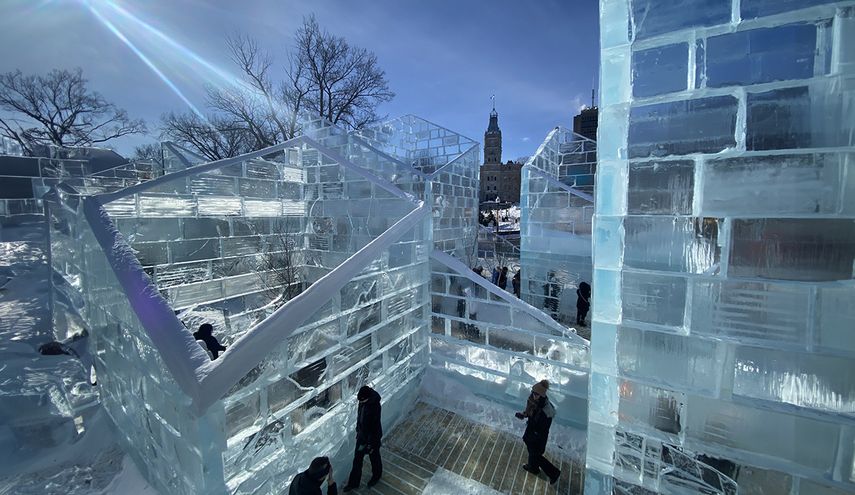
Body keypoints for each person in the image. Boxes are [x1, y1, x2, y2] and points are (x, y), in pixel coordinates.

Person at [515, 380, 561, 485]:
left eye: (536, 394)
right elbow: (529, 412)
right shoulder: (532, 400)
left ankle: (553, 473)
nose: (534, 395)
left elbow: (545, 427)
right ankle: (533, 468)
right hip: (531, 430)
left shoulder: (546, 410)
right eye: (533, 392)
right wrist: (523, 415)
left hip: (539, 436)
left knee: (535, 454)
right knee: (533, 451)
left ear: (542, 395)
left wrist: (536, 434)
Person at [344, 386, 383, 492]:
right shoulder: (363, 401)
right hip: (362, 437)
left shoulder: (375, 406)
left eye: (362, 400)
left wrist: (370, 444)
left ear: (368, 398)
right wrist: (358, 430)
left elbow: (374, 427)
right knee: (357, 460)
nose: (360, 402)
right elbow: (360, 417)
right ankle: (353, 483)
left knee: (374, 458)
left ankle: (376, 476)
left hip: (372, 439)